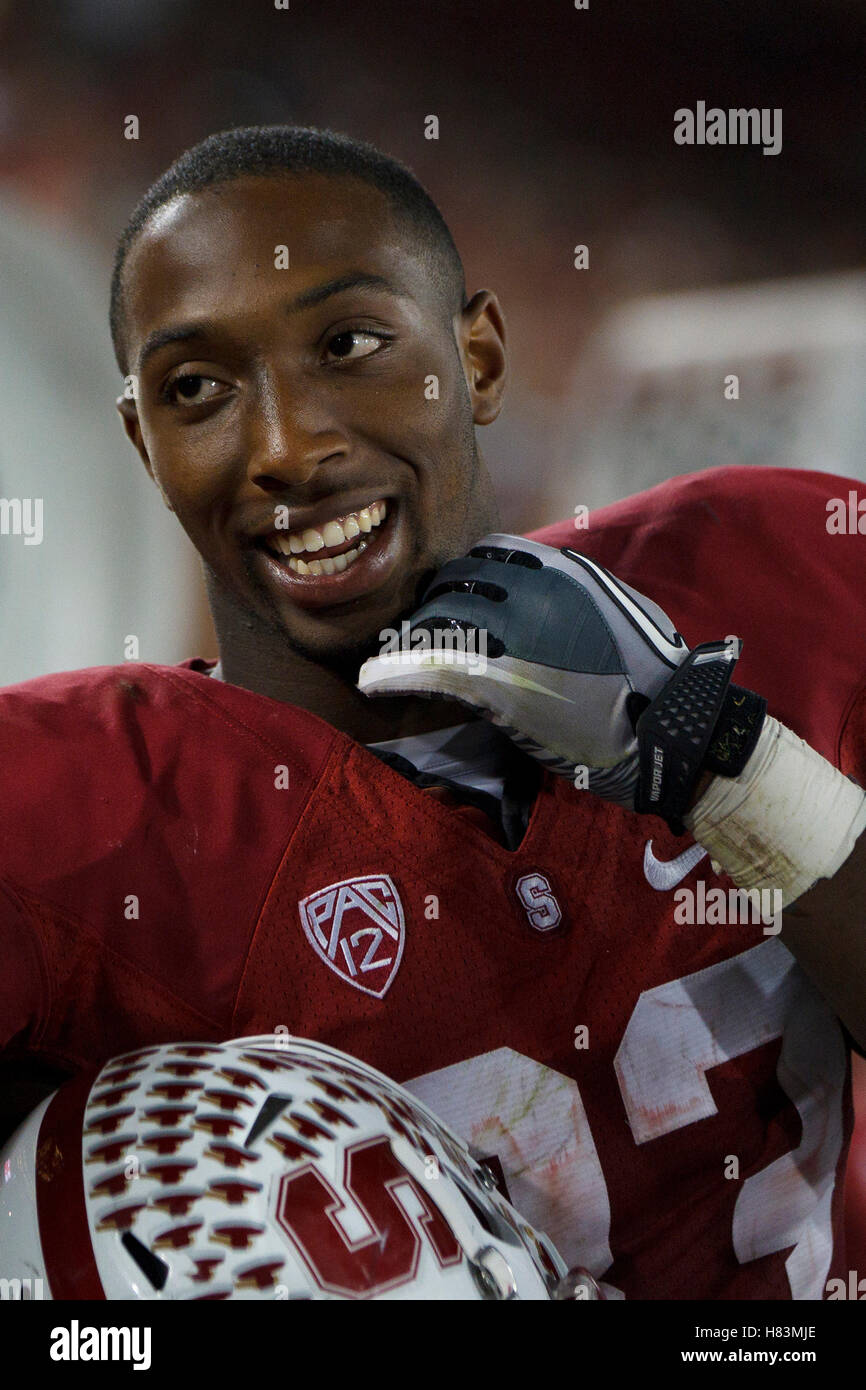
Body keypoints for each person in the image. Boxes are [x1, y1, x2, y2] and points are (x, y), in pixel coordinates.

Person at [1, 125, 865, 1300]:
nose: (284, 447)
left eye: (350, 343)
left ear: (481, 358)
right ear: (142, 443)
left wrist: (719, 758)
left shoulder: (765, 573)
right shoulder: (65, 815)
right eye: (197, 387)